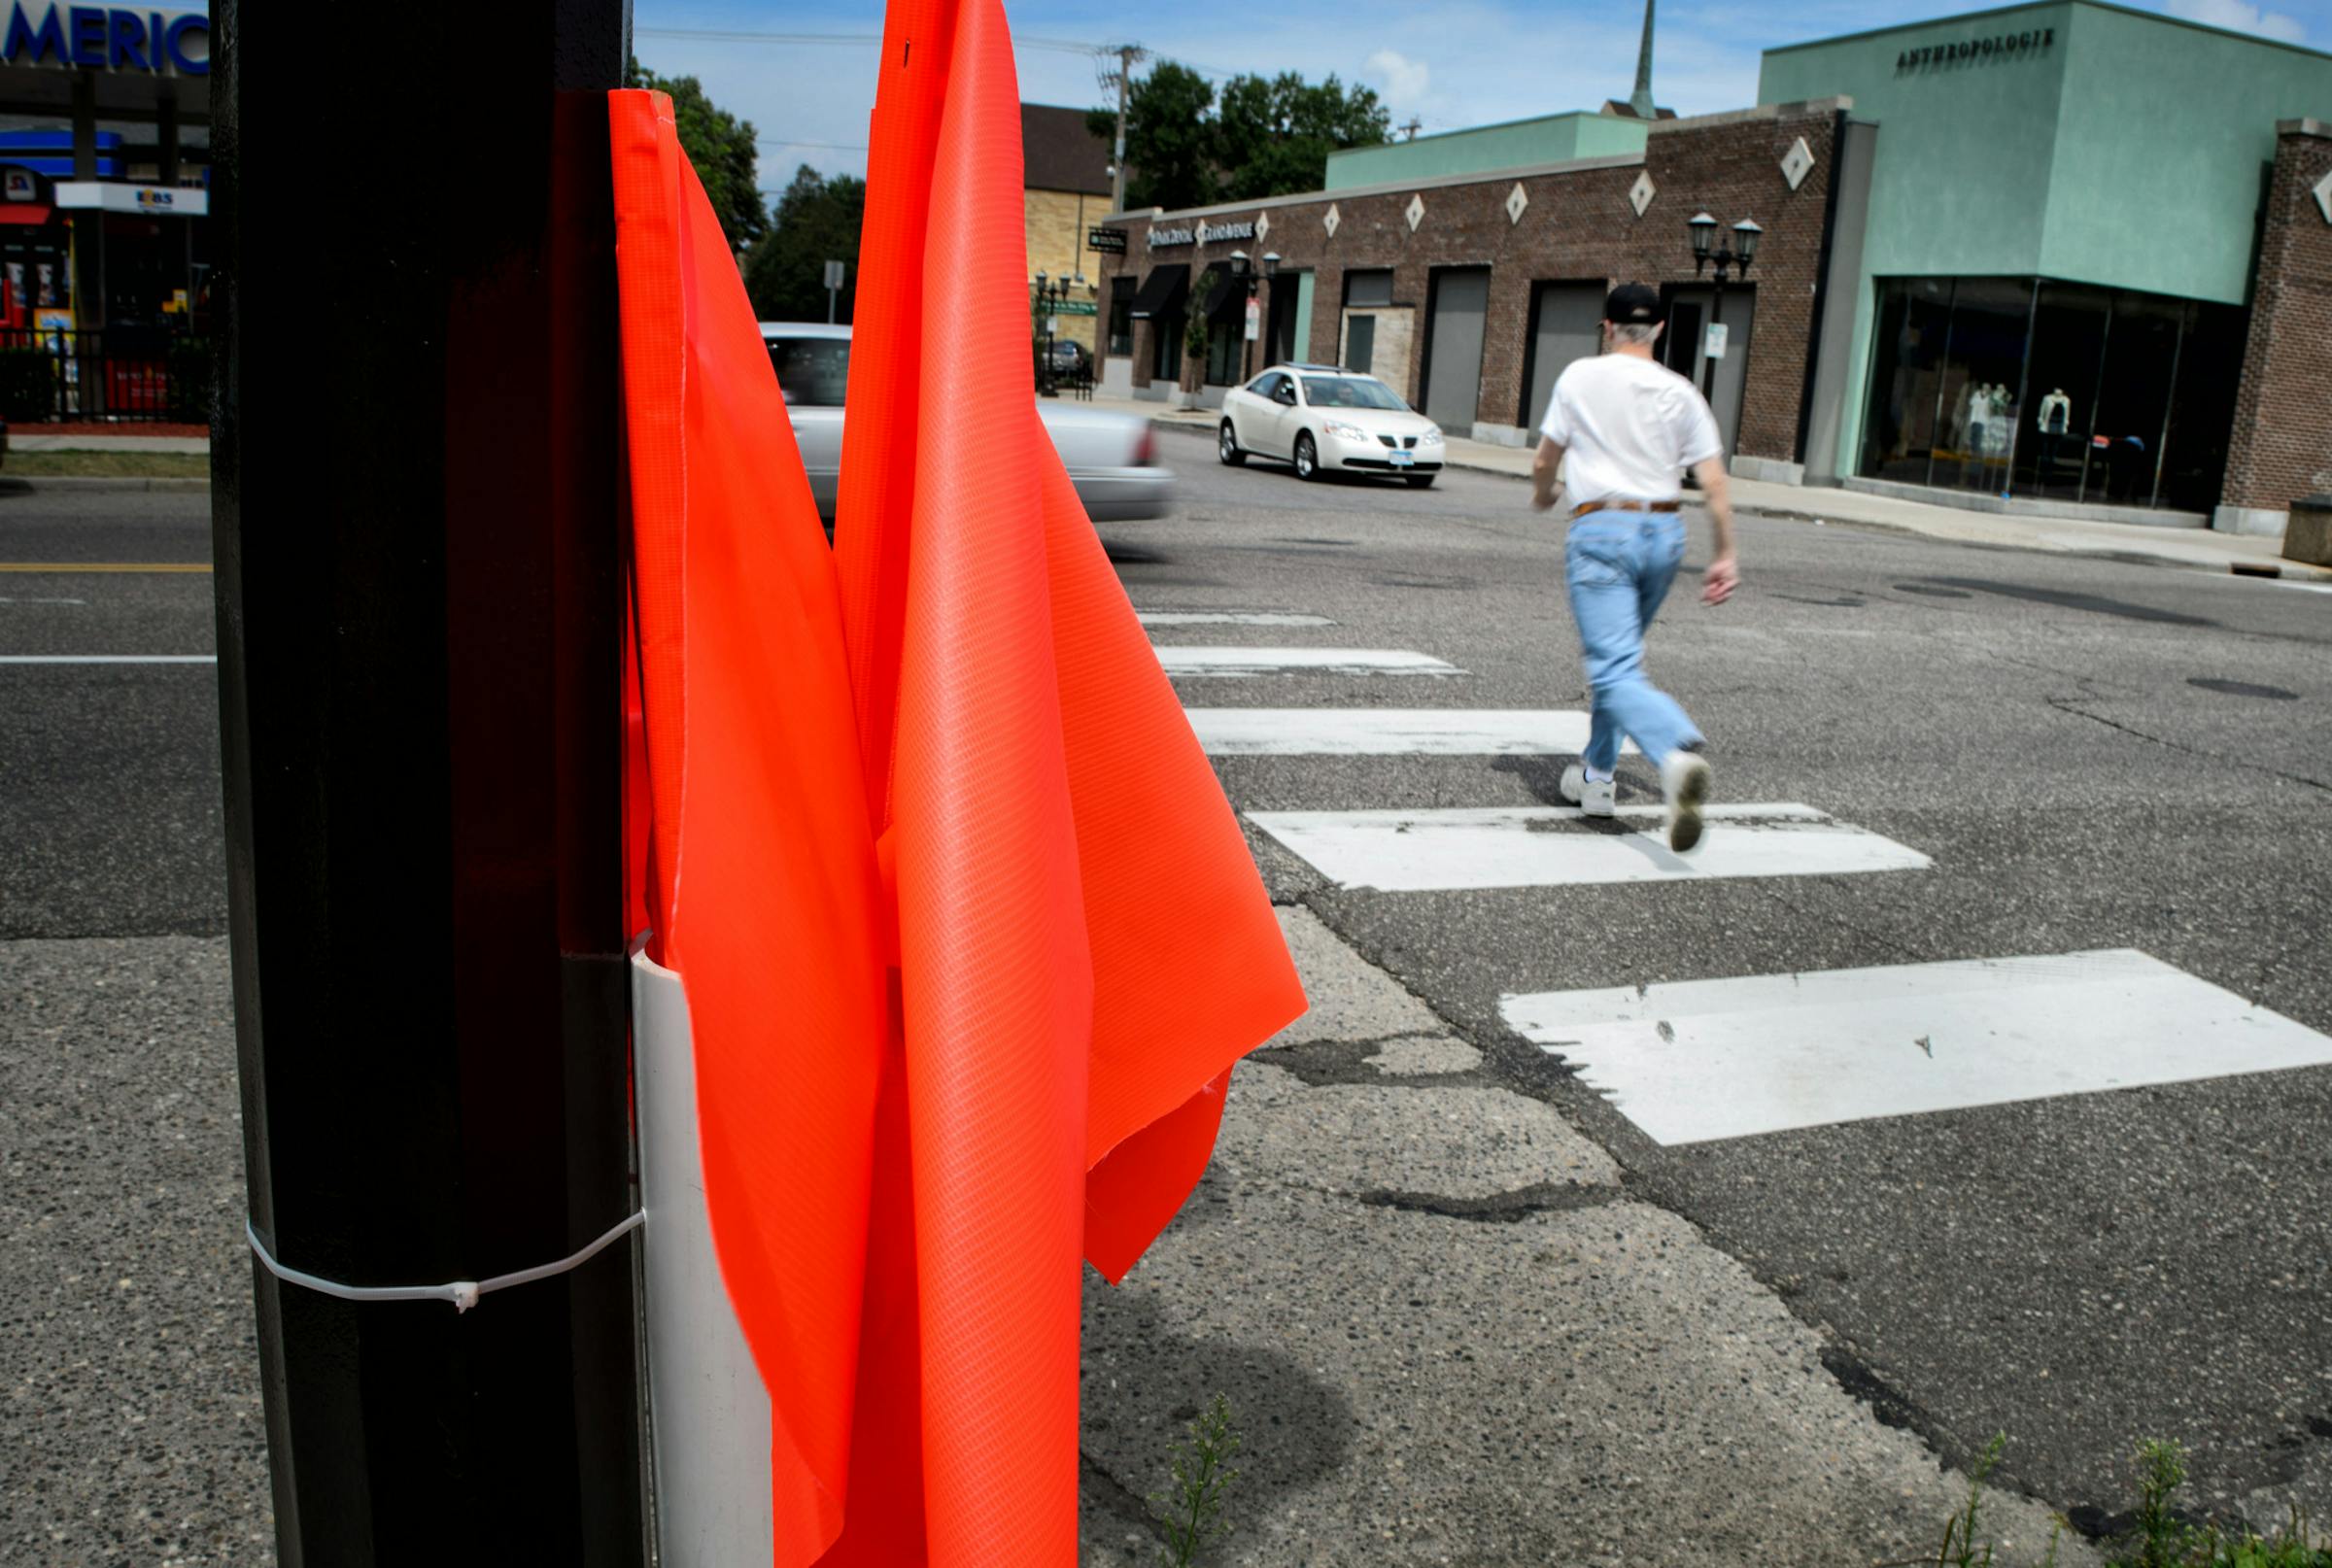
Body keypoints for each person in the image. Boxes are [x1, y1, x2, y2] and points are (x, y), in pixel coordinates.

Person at [1529, 283, 1739, 853]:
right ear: (1660, 330)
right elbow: (1714, 481)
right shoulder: (1682, 392)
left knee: (1613, 669)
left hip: (1603, 528)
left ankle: (1673, 754)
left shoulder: (1579, 377)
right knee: (1620, 663)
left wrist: (1545, 493)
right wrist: (1724, 554)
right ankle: (1597, 779)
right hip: (1665, 533)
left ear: (1608, 326)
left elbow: (1546, 456)